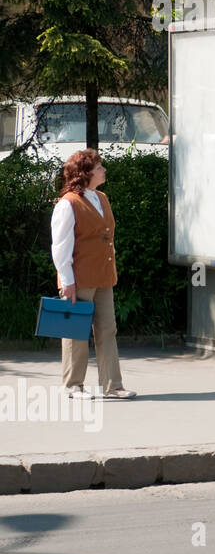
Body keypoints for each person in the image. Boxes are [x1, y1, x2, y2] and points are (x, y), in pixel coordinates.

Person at [50, 149, 136, 400]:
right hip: (78, 278)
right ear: (85, 173)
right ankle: (73, 385)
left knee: (108, 329)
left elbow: (107, 237)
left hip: (103, 275)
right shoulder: (68, 203)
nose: (104, 170)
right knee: (76, 331)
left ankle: (113, 385)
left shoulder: (103, 198)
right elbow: (60, 246)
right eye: (99, 167)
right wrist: (67, 281)